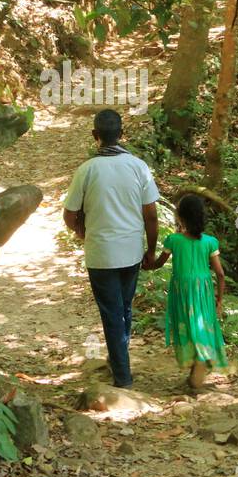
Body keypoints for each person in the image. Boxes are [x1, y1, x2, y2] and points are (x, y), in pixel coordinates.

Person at [62, 109, 160, 388]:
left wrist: (81, 230)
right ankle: (120, 361)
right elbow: (150, 215)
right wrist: (151, 251)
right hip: (130, 251)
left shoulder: (87, 170)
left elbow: (69, 216)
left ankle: (122, 375)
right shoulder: (138, 166)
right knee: (123, 308)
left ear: (95, 136)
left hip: (100, 252)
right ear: (121, 134)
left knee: (112, 312)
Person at [147, 193, 227, 393]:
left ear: (180, 217)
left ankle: (196, 365)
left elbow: (158, 264)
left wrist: (146, 265)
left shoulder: (173, 240)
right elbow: (220, 273)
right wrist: (219, 298)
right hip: (203, 291)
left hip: (182, 291)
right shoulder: (210, 242)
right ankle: (199, 364)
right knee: (203, 324)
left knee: (185, 326)